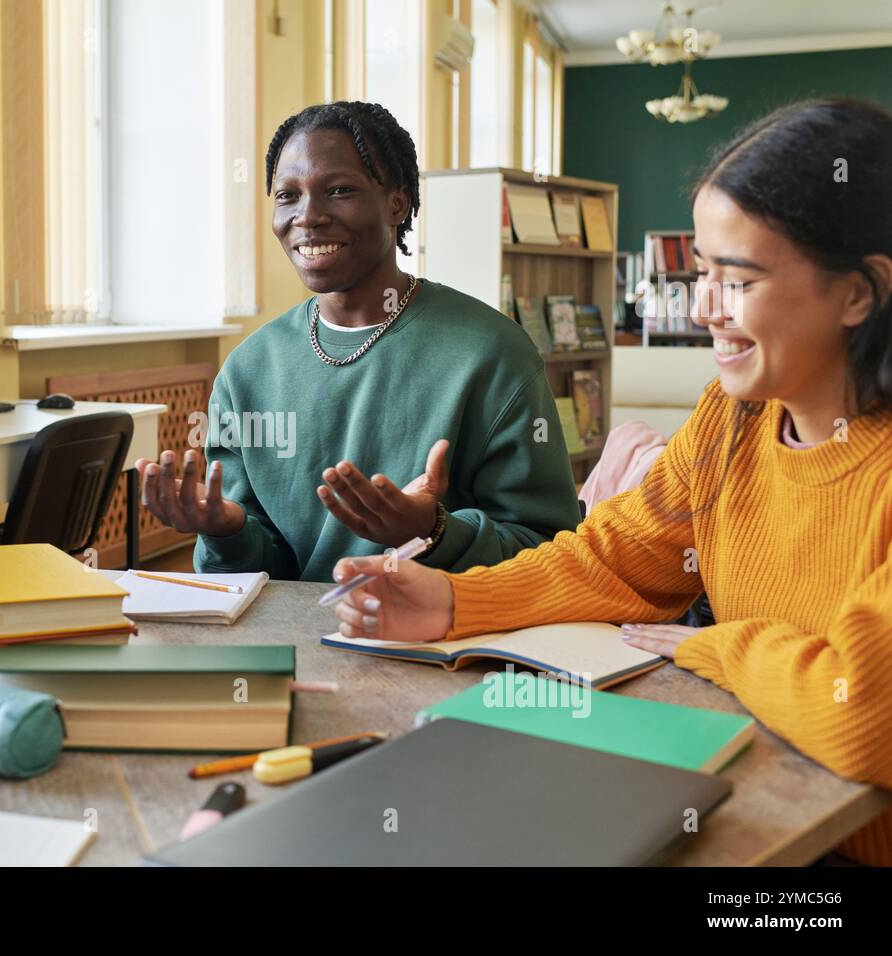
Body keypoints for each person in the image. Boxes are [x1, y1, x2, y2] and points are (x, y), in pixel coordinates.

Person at [330, 99, 892, 865]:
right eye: (701, 273)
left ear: (860, 292)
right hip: (757, 821)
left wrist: (720, 647)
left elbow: (862, 711)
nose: (702, 309)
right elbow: (617, 558)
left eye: (737, 280)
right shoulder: (733, 421)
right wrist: (457, 599)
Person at [137, 102, 580, 581]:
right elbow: (268, 571)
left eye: (340, 190)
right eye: (287, 196)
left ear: (397, 202)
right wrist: (225, 530)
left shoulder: (493, 355)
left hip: (436, 642)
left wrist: (433, 532)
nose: (309, 216)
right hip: (297, 643)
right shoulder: (248, 371)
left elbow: (548, 551)